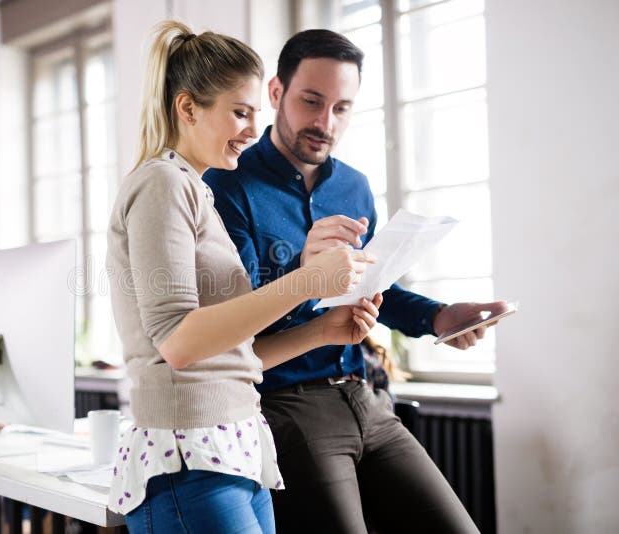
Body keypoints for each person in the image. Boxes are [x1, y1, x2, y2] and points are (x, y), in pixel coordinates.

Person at [204, 29, 507, 533]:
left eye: (342, 108)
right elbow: (235, 324)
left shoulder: (354, 186)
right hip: (286, 403)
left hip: (366, 396)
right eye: (312, 101)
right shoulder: (227, 185)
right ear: (276, 93)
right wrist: (304, 274)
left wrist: (437, 317)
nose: (325, 123)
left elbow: (368, 286)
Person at [106, 22, 382, 534]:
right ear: (188, 108)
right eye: (239, 112)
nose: (254, 130)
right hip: (187, 455)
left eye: (257, 113)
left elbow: (228, 357)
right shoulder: (161, 184)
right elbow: (180, 343)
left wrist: (323, 331)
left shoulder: (198, 191)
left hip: (236, 446)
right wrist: (306, 281)